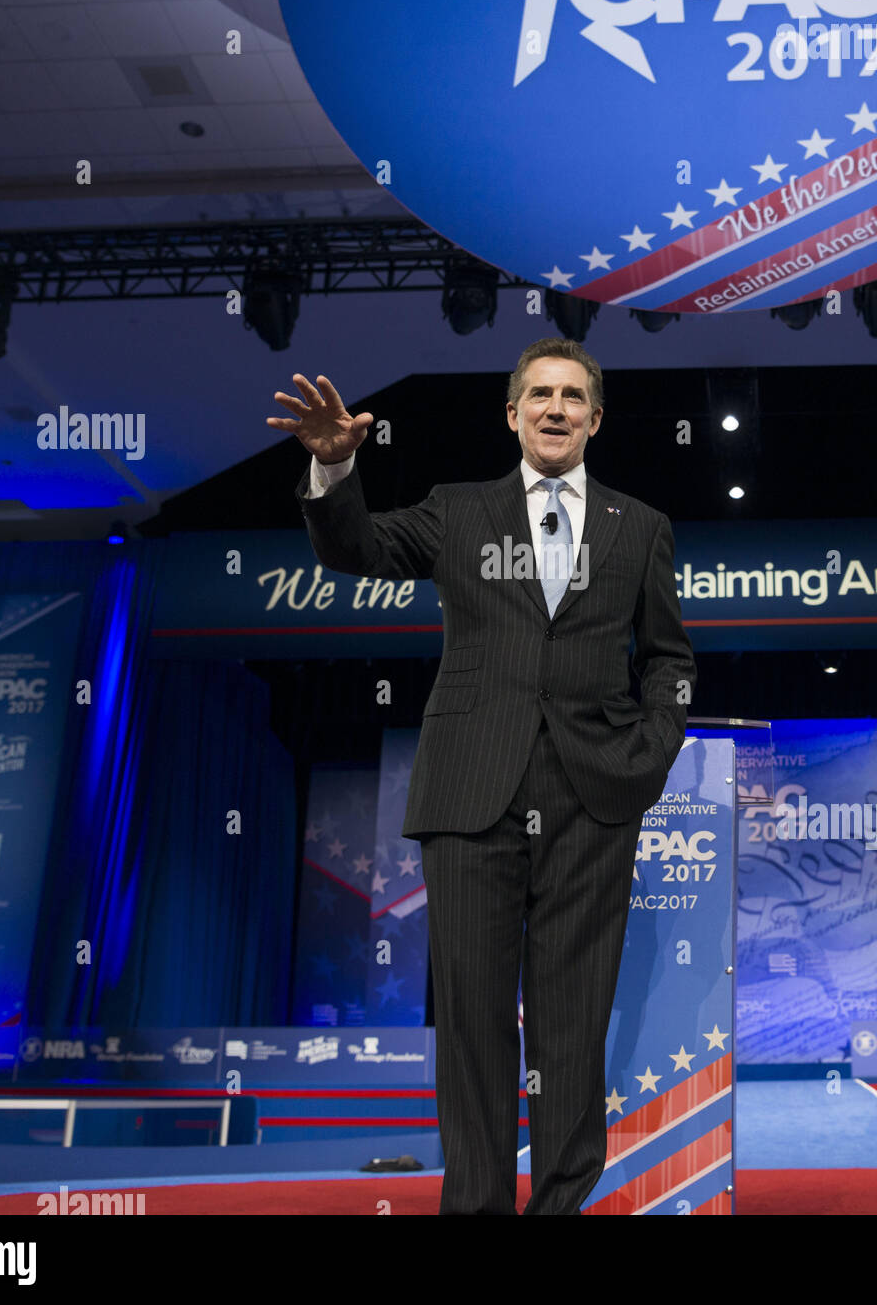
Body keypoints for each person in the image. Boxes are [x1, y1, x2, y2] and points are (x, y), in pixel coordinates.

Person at [268, 337, 695, 1214]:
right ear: (512, 414)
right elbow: (358, 549)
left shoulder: (640, 526)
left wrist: (650, 751)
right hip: (471, 795)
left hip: (592, 796)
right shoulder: (458, 511)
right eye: (539, 394)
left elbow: (669, 660)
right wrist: (335, 470)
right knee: (471, 1022)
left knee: (573, 1026)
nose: (555, 408)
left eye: (572, 397)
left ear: (595, 420)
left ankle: (559, 1208)